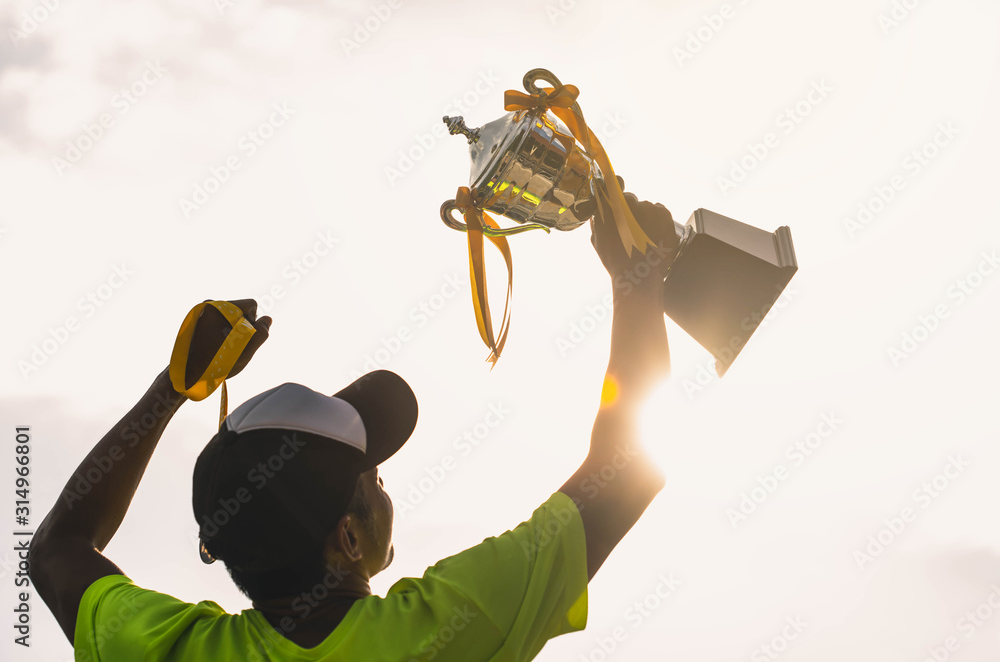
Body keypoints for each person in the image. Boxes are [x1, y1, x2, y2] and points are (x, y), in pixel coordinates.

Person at [30, 188, 679, 661]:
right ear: (346, 536)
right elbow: (627, 472)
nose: (384, 483)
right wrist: (636, 282)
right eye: (372, 477)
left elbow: (58, 548)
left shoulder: (177, 651)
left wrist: (171, 389)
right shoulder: (433, 630)